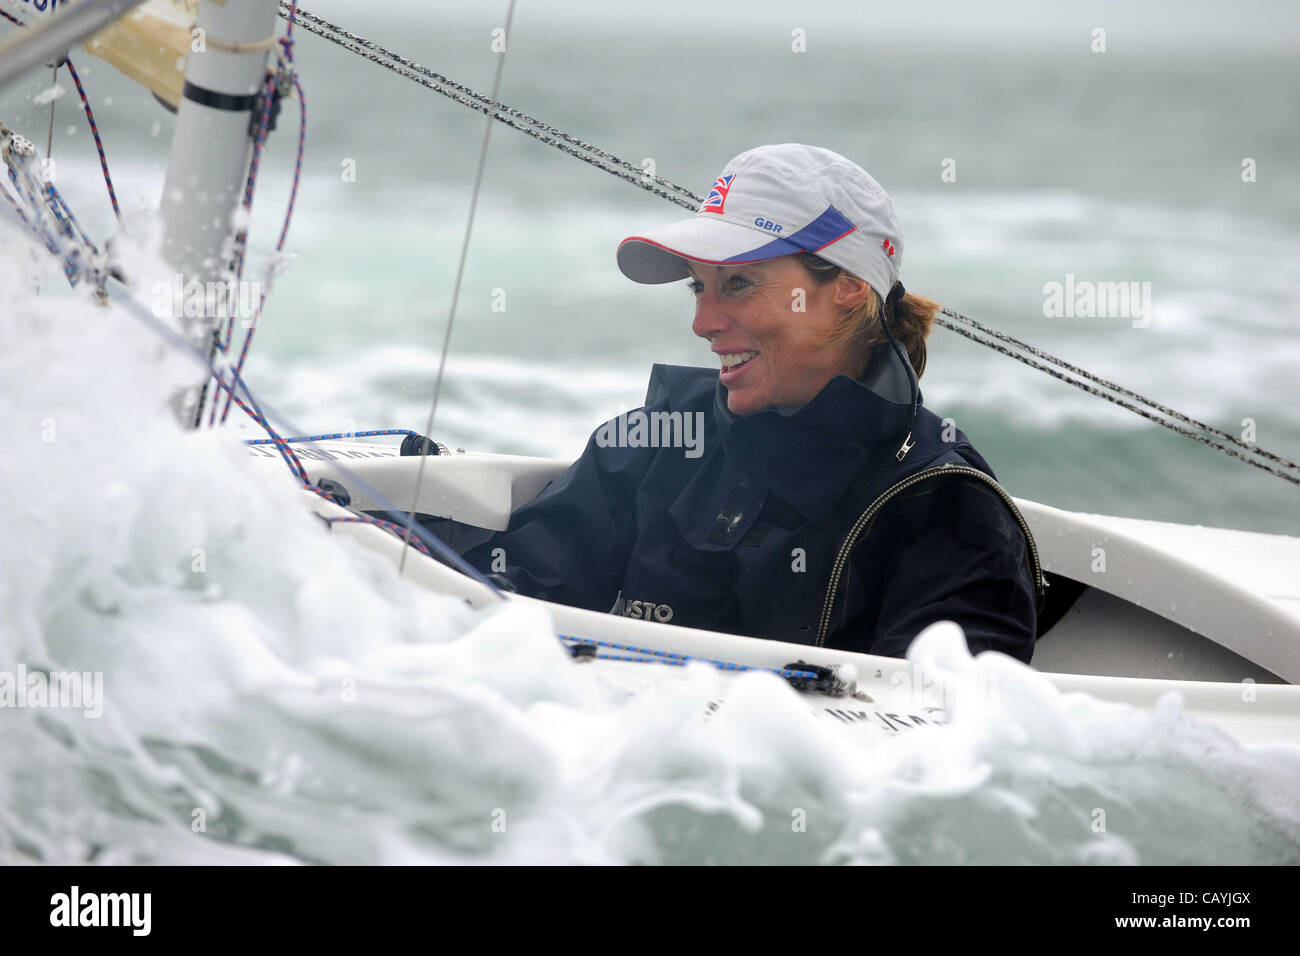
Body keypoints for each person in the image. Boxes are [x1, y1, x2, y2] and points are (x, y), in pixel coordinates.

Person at [458, 144, 1043, 662]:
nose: (702, 322)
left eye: (737, 283)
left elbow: (940, 747)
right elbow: (501, 594)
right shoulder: (655, 441)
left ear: (847, 288)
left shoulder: (943, 505)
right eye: (698, 285)